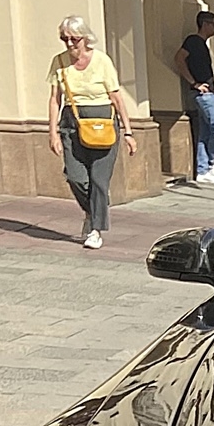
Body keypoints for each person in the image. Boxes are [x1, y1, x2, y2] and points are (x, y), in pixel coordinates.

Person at [47, 16, 142, 251]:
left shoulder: (102, 61)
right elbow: (55, 99)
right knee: (75, 176)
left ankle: (95, 230)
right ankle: (93, 211)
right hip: (72, 123)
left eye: (74, 39)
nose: (70, 44)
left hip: (103, 124)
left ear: (85, 38)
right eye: (65, 39)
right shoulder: (59, 62)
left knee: (99, 180)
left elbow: (116, 97)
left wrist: (128, 132)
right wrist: (53, 133)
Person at [179, 9, 214, 183]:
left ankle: (203, 171)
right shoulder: (193, 41)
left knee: (205, 133)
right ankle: (210, 165)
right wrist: (194, 83)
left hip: (208, 93)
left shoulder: (202, 44)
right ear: (205, 24)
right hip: (203, 94)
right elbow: (179, 59)